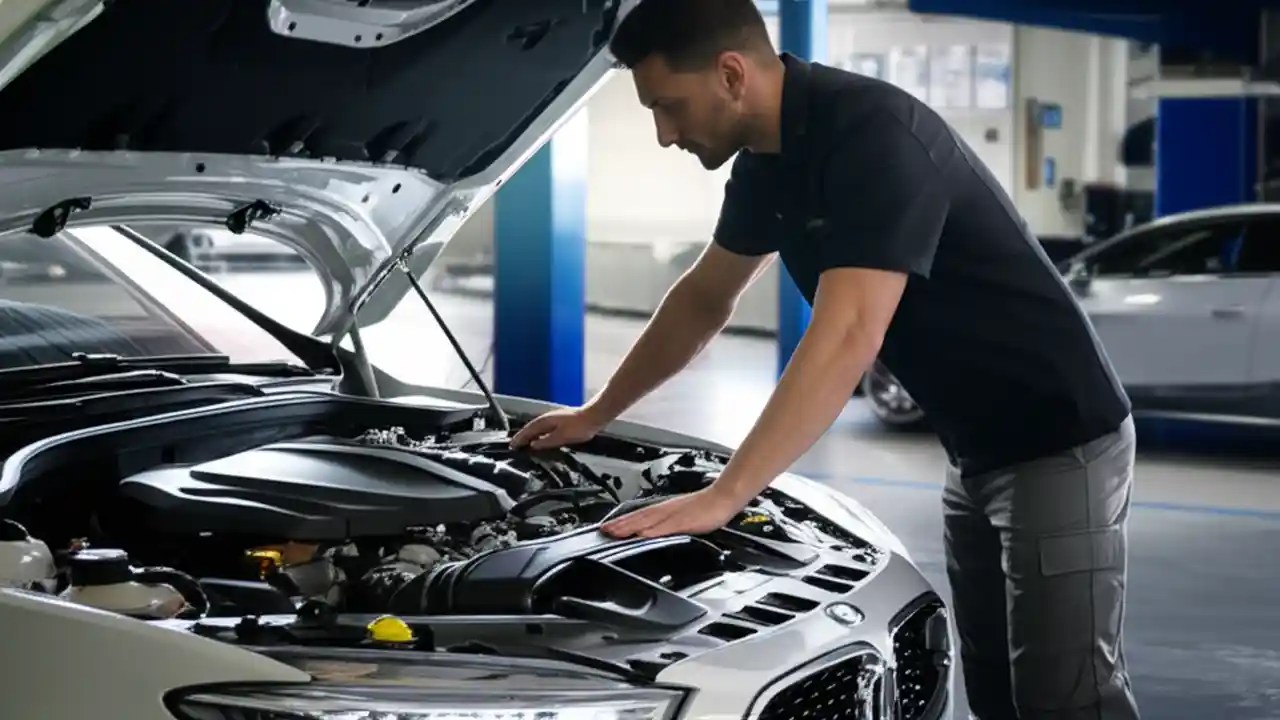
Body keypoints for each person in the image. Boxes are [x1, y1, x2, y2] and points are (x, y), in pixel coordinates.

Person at [510, 1, 1141, 718]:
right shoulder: (767, 165)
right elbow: (704, 298)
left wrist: (726, 494)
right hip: (975, 452)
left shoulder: (874, 135)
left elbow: (848, 336)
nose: (664, 134)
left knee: (1068, 702)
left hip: (1060, 440)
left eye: (668, 106)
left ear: (730, 74)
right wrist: (599, 413)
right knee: (996, 693)